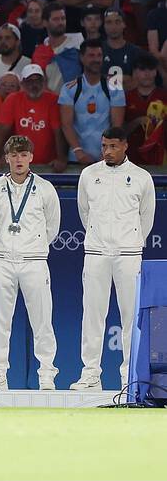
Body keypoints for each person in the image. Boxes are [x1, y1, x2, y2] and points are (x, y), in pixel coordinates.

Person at [73, 127, 156, 391]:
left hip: (129, 254)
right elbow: (84, 211)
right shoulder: (89, 174)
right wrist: (99, 238)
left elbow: (147, 218)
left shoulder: (141, 177)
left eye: (112, 146)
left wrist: (129, 242)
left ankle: (130, 377)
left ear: (124, 146)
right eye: (104, 146)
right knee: (92, 315)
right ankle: (90, 375)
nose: (107, 151)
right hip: (96, 253)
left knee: (131, 318)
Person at [0, 135, 61, 390]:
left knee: (42, 320)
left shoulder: (45, 188)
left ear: (31, 157)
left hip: (35, 261)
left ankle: (47, 372)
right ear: (6, 158)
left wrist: (33, 247)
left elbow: (53, 227)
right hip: (4, 259)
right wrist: (8, 244)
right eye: (14, 155)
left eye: (23, 154)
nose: (19, 159)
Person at [59, 39, 127, 164]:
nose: (96, 60)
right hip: (77, 158)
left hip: (106, 158)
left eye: (99, 55)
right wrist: (79, 152)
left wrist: (108, 152)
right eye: (91, 55)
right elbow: (66, 124)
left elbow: (117, 125)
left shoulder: (114, 86)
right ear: (81, 58)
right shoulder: (69, 88)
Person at [0, 63, 64, 169]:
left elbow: (58, 131)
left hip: (48, 164)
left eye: (38, 80)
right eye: (29, 81)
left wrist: (61, 159)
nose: (34, 85)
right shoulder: (13, 99)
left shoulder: (53, 100)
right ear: (22, 83)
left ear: (44, 82)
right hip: (18, 163)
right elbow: (2, 130)